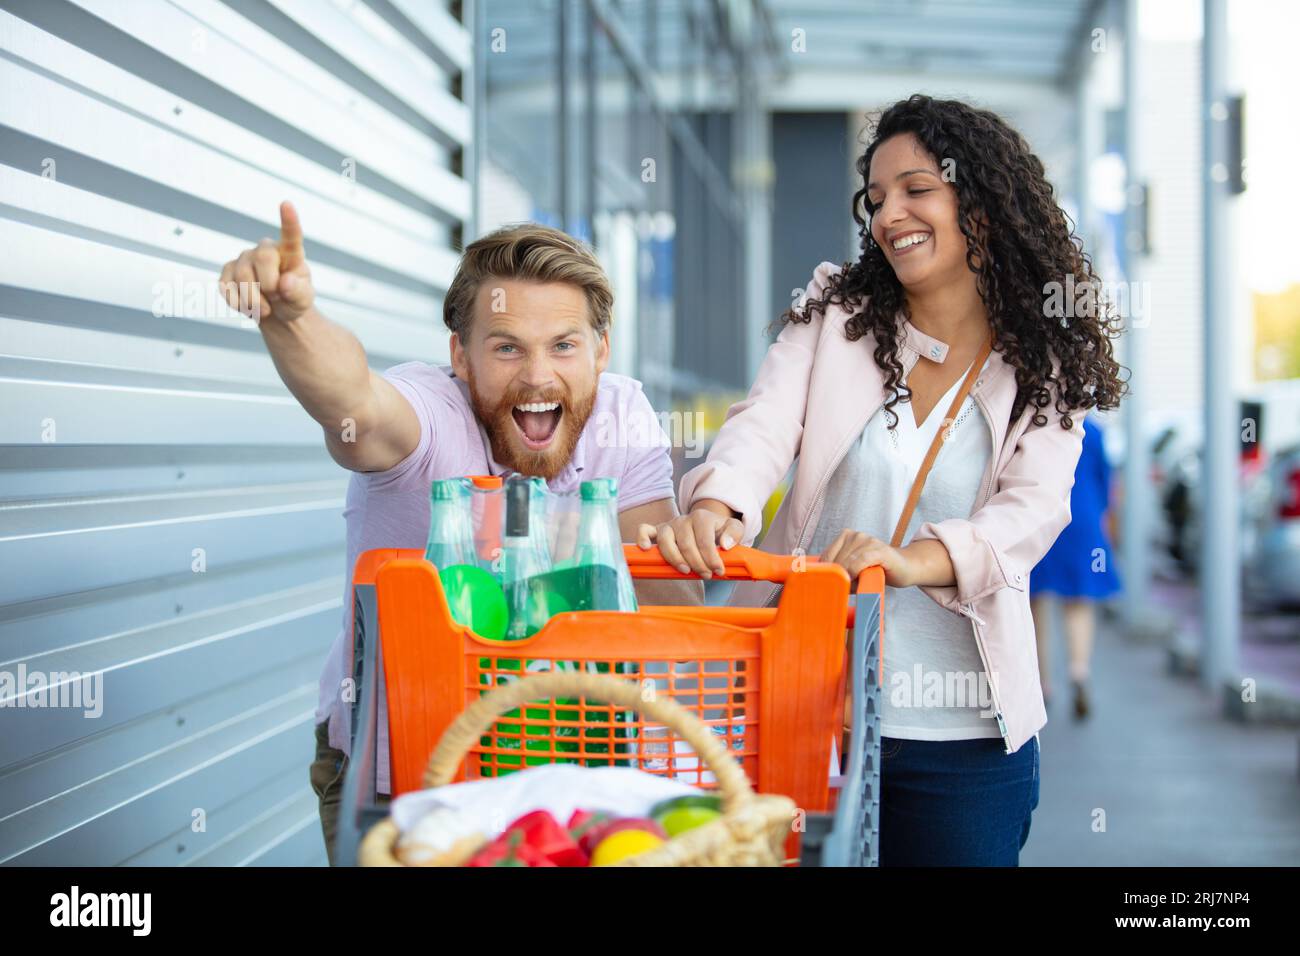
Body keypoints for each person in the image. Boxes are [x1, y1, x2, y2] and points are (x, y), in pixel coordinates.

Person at [639, 95, 1126, 865]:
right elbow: (764, 423)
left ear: (983, 201)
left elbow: (1032, 512)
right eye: (875, 198)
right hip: (805, 706)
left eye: (915, 189)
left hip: (965, 743)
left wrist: (914, 562)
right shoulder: (836, 312)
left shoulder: (1044, 359)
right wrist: (718, 501)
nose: (887, 213)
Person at [219, 210, 701, 865]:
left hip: (571, 772)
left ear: (601, 351)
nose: (537, 377)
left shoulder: (620, 413)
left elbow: (667, 604)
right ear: (461, 357)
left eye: (564, 345)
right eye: (506, 346)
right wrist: (289, 318)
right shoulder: (435, 414)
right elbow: (357, 405)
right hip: (405, 778)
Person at [1030, 415, 1121, 720]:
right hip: (1084, 521)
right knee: (1080, 601)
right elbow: (1106, 481)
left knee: (1034, 601)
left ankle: (1042, 684)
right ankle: (1078, 671)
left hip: (1044, 519)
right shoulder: (1093, 431)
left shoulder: (1038, 421)